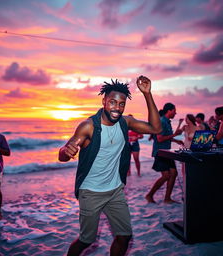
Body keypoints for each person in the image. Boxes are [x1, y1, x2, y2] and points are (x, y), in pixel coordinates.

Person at [59, 76, 161, 256]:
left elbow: (155, 129)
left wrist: (147, 94)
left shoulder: (125, 122)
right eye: (112, 102)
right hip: (90, 191)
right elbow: (64, 153)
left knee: (124, 236)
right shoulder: (88, 126)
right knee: (87, 240)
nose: (117, 108)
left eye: (121, 104)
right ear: (104, 101)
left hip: (115, 190)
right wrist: (66, 152)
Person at [145, 103, 183, 204]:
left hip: (167, 152)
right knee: (166, 176)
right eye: (174, 111)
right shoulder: (162, 122)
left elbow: (167, 136)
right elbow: (160, 138)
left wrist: (176, 140)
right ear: (169, 110)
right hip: (161, 152)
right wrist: (175, 135)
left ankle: (167, 198)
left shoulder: (167, 122)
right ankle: (149, 195)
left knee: (174, 173)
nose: (175, 113)